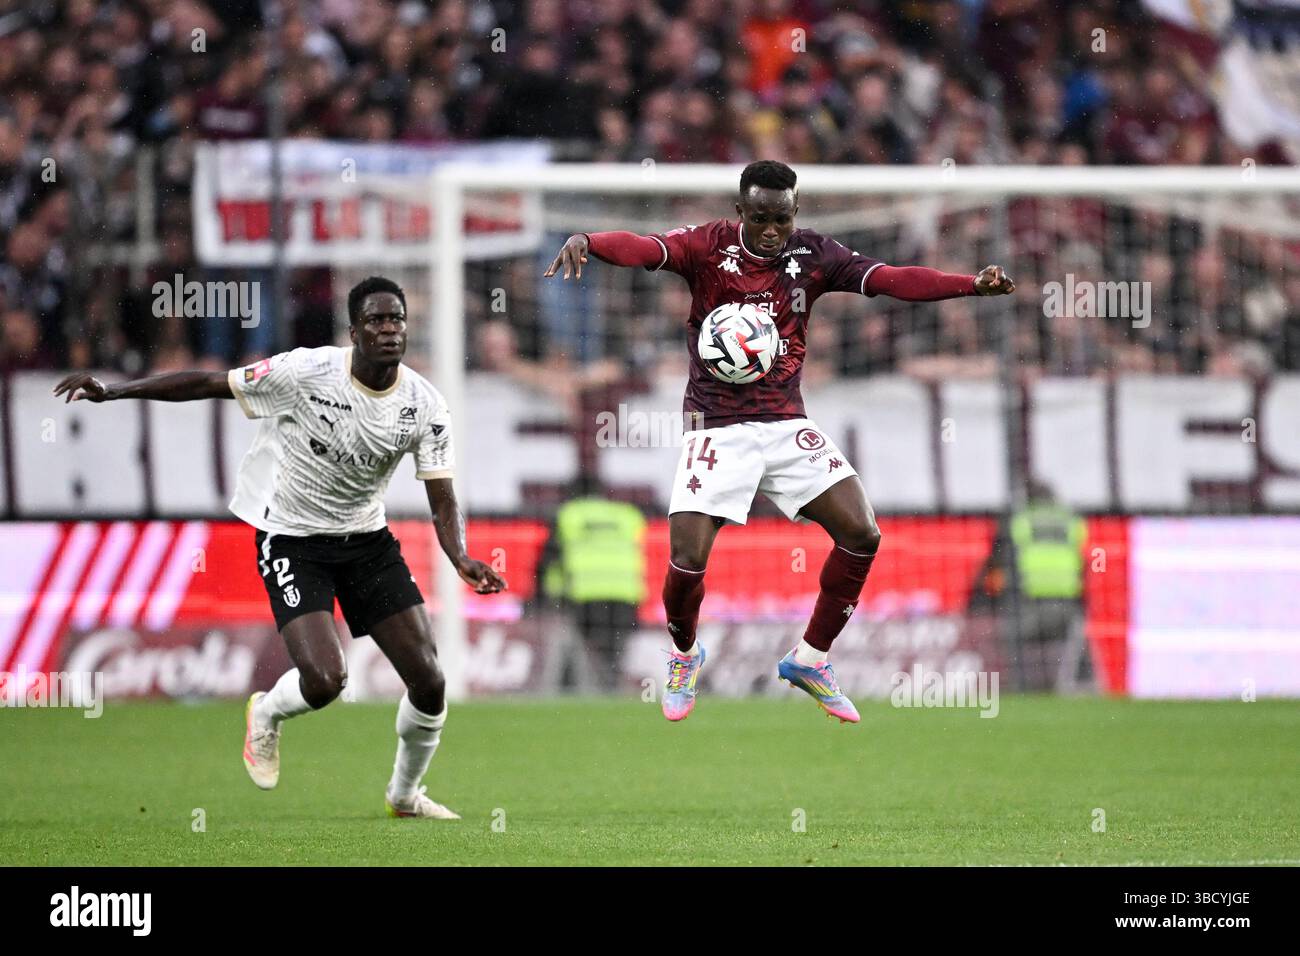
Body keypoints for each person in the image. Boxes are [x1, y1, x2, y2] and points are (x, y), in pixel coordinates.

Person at [545, 160, 1014, 723]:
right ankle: (684, 654)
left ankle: (811, 658)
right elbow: (645, 249)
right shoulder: (705, 246)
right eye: (761, 218)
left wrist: (969, 285)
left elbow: (890, 279)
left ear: (796, 214)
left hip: (787, 423)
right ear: (741, 211)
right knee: (689, 557)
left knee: (862, 533)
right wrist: (588, 241)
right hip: (715, 426)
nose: (771, 230)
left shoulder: (814, 255)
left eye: (782, 219)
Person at [53, 276, 506, 818]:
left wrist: (460, 557)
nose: (390, 330)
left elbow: (443, 498)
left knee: (430, 681)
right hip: (292, 538)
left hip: (365, 541)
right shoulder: (305, 372)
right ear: (354, 331)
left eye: (397, 320)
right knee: (326, 679)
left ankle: (404, 795)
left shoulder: (424, 404)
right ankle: (266, 713)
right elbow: (207, 383)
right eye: (377, 321)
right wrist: (117, 390)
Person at [537, 477, 647, 690]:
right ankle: (615, 689)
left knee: (588, 651)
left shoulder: (569, 515)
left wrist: (546, 593)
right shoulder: (627, 515)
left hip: (586, 595)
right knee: (616, 650)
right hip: (625, 594)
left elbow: (549, 559)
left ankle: (590, 692)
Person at [1010, 480, 1088, 690]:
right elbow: (1090, 550)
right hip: (1067, 591)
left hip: (1034, 591)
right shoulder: (1069, 518)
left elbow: (1011, 549)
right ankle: (1080, 684)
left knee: (1019, 642)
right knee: (1074, 644)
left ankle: (1022, 686)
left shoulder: (1023, 518)